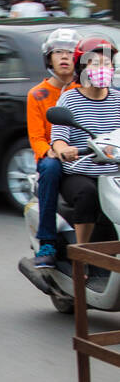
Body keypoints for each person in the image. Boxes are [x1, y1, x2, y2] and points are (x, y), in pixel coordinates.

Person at [50, 37, 120, 246]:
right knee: (86, 193)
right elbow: (59, 139)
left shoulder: (118, 99)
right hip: (81, 172)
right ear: (83, 68)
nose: (102, 68)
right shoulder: (69, 99)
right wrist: (65, 150)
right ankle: (82, 253)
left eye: (107, 63)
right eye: (95, 63)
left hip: (114, 172)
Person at [27, 28, 78, 267]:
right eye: (59, 52)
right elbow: (36, 137)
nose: (65, 57)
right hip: (53, 156)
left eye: (70, 52)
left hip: (86, 153)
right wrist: (52, 150)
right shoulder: (37, 94)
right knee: (49, 167)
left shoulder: (84, 90)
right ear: (49, 58)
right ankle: (47, 241)